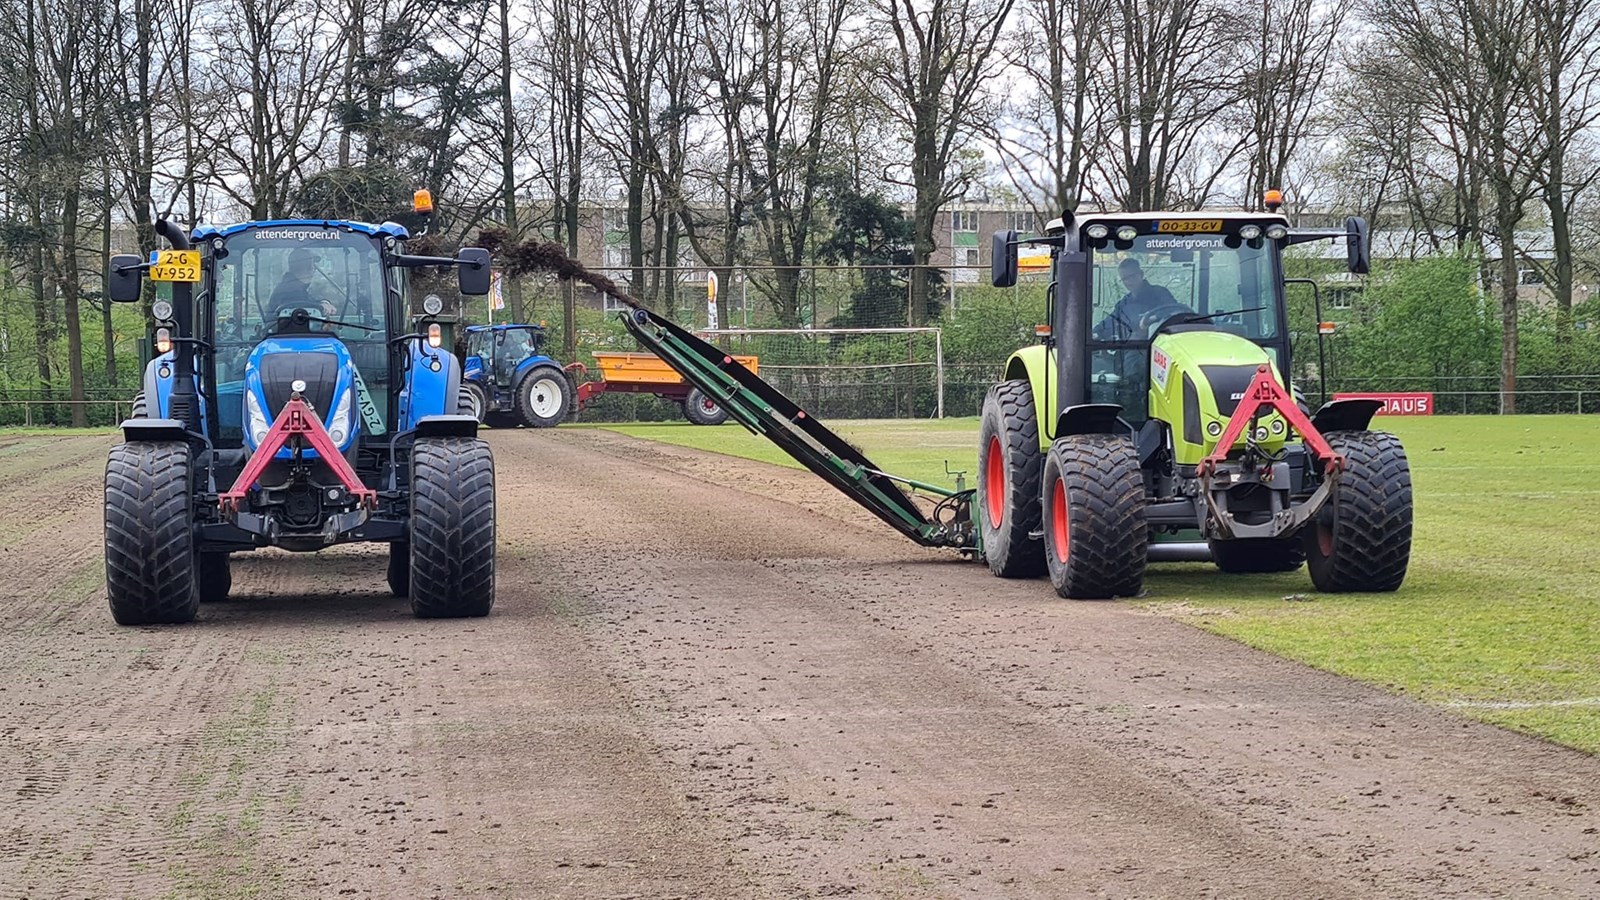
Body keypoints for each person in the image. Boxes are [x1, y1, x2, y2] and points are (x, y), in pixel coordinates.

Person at [1094, 258, 1187, 340]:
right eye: (1125, 279)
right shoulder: (1124, 303)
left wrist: (1150, 320)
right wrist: (1095, 333)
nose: (1129, 282)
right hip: (1132, 346)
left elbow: (1173, 312)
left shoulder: (1159, 293)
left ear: (1141, 274)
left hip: (1157, 344)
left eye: (1132, 276)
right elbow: (1110, 322)